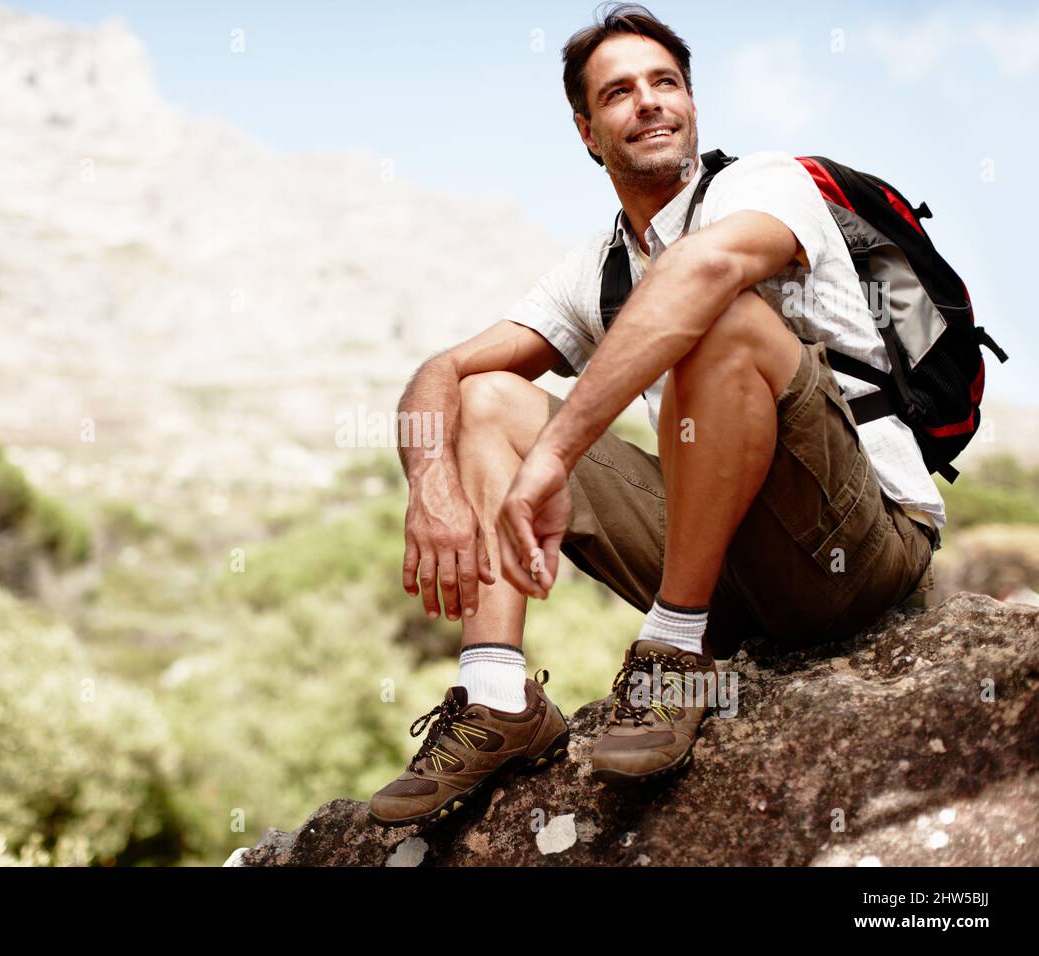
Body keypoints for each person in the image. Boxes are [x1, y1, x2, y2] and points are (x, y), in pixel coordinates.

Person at [368, 3, 940, 828]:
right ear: (587, 132)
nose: (650, 102)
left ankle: (674, 652)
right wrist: (432, 485)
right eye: (619, 93)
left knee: (727, 320)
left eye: (666, 83)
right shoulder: (596, 270)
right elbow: (443, 371)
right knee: (486, 396)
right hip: (731, 581)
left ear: (693, 105)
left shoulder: (760, 184)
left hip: (857, 549)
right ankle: (497, 697)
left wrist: (554, 457)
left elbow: (707, 270)